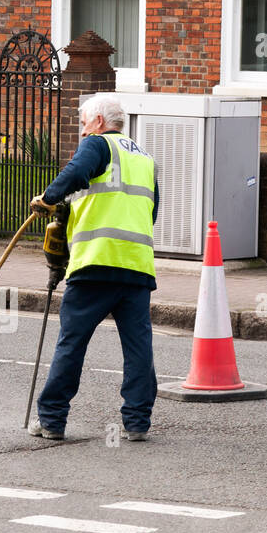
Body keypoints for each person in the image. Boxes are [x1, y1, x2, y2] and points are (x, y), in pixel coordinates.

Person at [27, 93, 160, 441]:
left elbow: (75, 173)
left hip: (96, 264)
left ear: (99, 122)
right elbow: (151, 212)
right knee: (138, 347)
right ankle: (137, 422)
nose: (82, 130)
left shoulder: (97, 144)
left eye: (84, 122)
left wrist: (47, 197)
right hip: (136, 266)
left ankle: (52, 420)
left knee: (72, 343)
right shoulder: (145, 159)